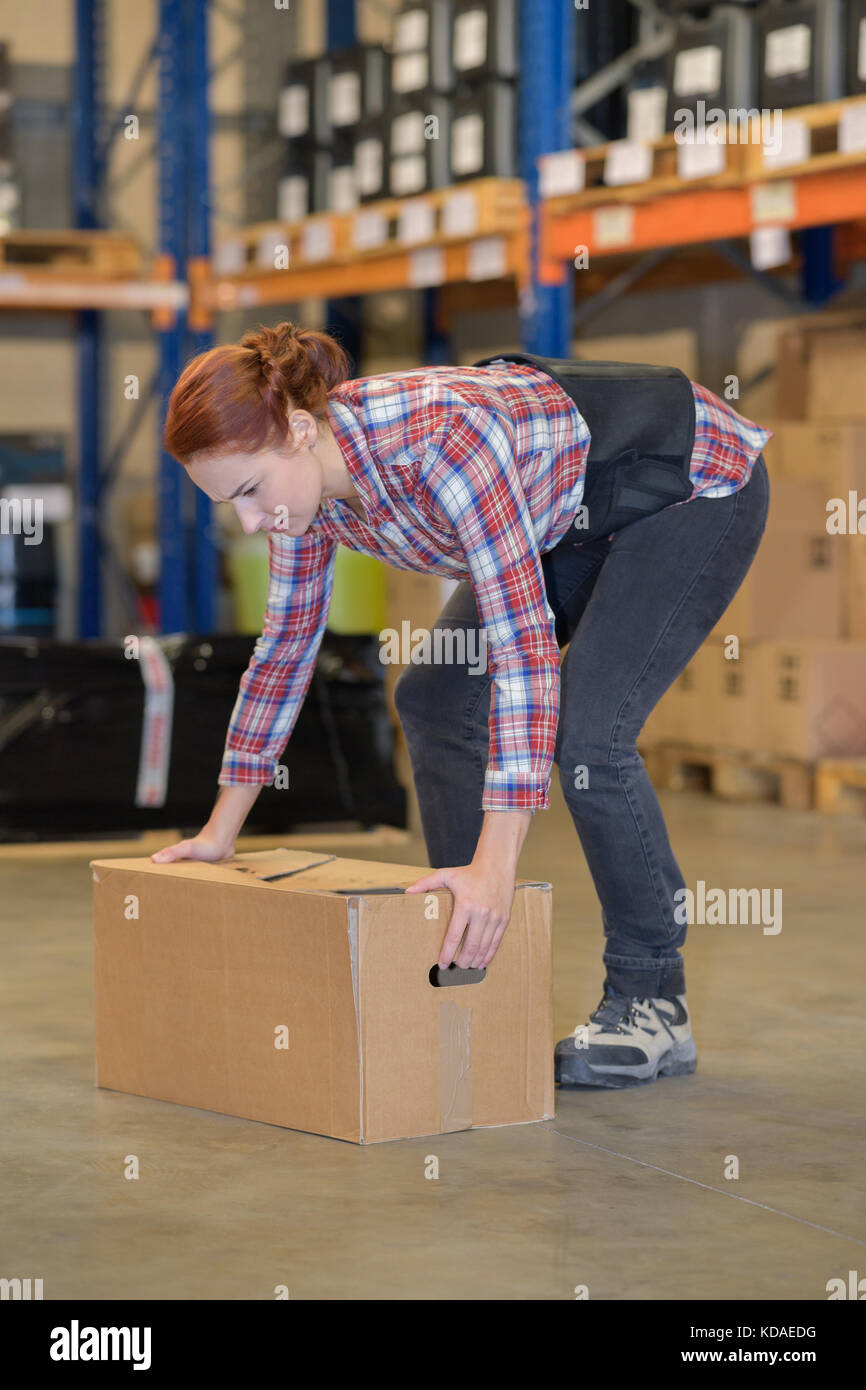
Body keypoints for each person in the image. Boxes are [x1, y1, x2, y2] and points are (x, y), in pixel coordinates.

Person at [152, 319, 771, 1090]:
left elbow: (522, 649)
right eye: (229, 504)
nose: (250, 521)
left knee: (586, 738)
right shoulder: (302, 496)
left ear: (299, 430)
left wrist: (497, 864)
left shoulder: (442, 442)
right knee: (437, 697)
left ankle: (653, 999)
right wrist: (219, 832)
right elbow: (283, 654)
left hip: (686, 483)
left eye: (249, 492)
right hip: (568, 513)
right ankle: (474, 966)